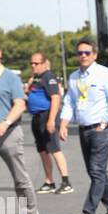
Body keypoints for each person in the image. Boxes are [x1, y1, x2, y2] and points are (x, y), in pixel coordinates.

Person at [60, 38, 108, 214]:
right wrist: (63, 123)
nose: (83, 56)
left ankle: (88, 210)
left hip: (101, 128)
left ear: (94, 55)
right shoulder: (73, 77)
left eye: (87, 52)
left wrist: (105, 122)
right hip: (83, 128)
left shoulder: (103, 74)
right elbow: (69, 102)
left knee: (96, 170)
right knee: (95, 170)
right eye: (80, 53)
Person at [0, 36, 40, 214]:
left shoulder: (10, 77)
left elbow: (20, 104)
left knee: (20, 178)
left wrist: (5, 122)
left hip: (8, 135)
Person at [27, 53, 72, 193]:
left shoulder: (48, 76)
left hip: (47, 116)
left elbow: (55, 98)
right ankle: (49, 181)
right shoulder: (36, 78)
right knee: (43, 150)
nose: (33, 66)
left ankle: (66, 182)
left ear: (44, 63)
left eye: (36, 63)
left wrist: (51, 120)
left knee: (54, 149)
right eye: (32, 63)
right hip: (37, 117)